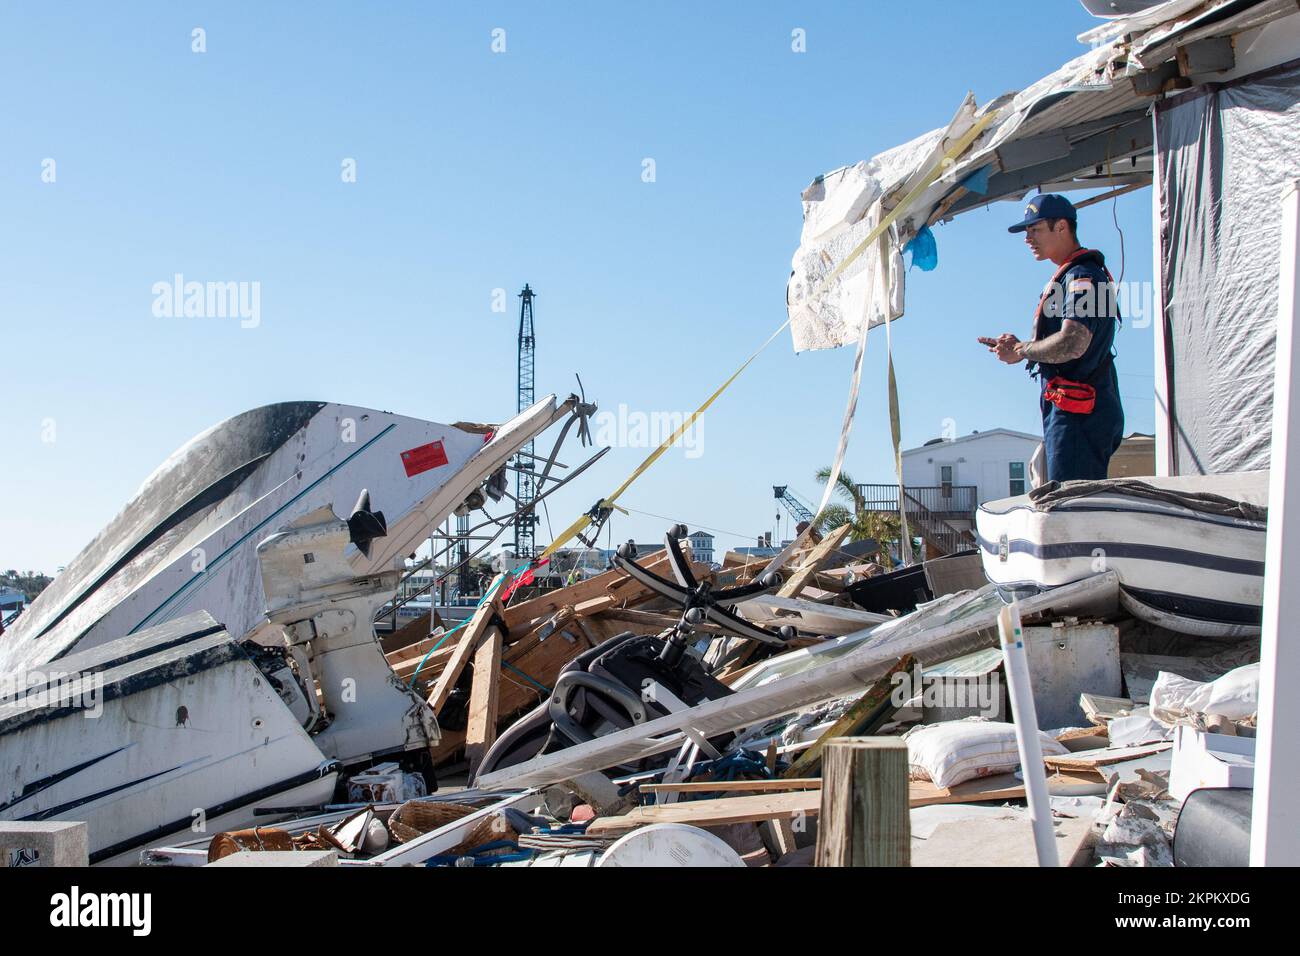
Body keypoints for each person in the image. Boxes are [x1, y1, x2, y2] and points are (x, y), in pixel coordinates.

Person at [979, 194, 1124, 483]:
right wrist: (1024, 347)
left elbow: (1073, 342)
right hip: (1074, 410)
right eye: (1026, 232)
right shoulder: (1074, 276)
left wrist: (1022, 350)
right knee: (1070, 506)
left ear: (1061, 227)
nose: (1027, 238)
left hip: (1080, 414)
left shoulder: (1084, 277)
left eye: (1035, 229)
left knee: (1075, 511)